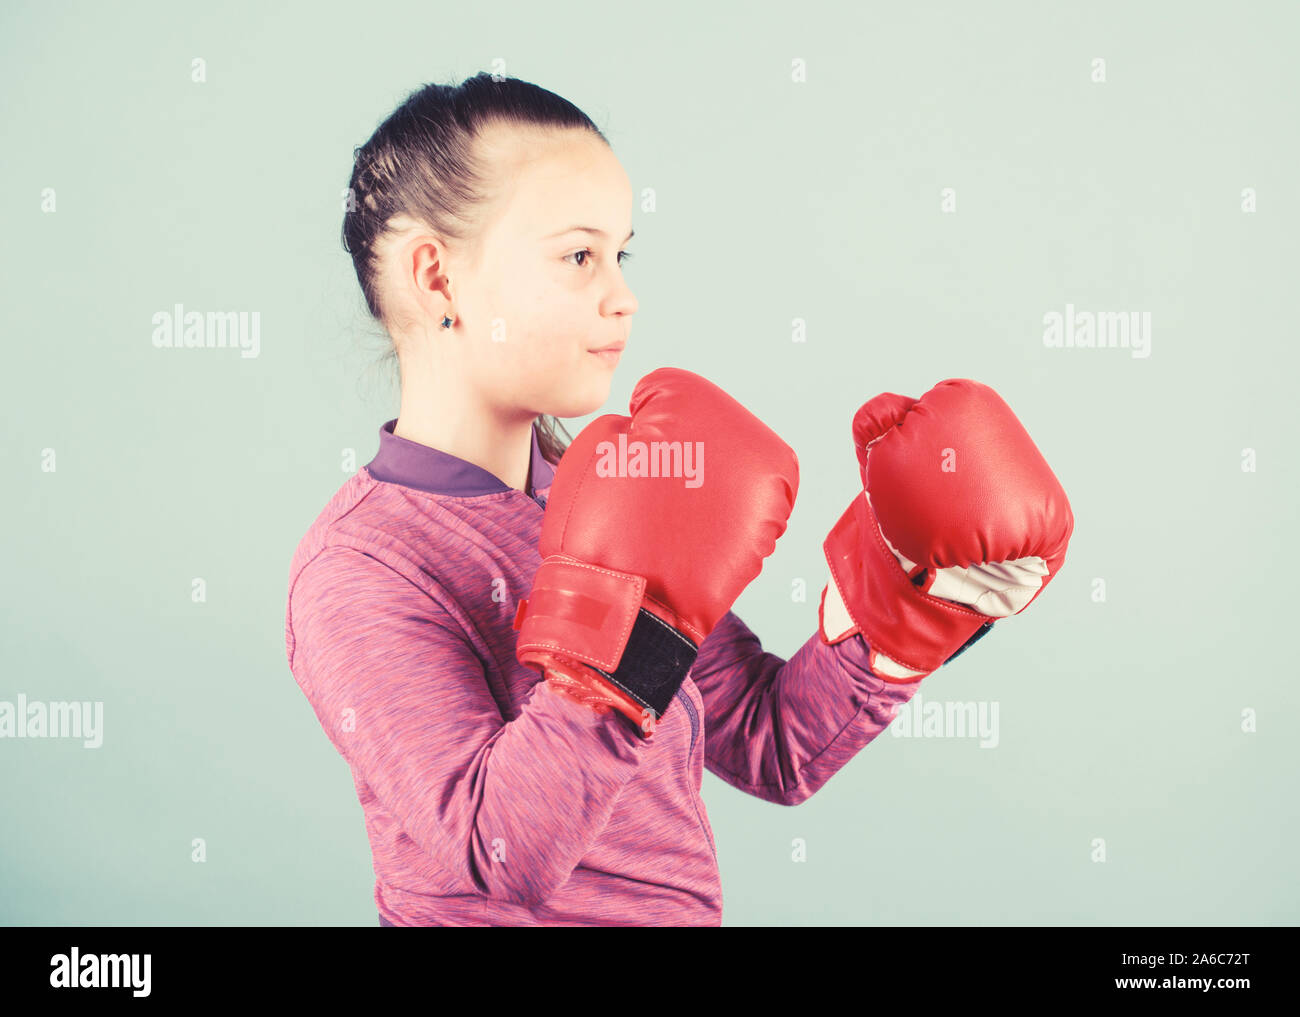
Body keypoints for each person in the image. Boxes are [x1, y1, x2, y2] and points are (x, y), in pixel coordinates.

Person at [283, 72, 1074, 927]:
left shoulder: (606, 493)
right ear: (436, 278)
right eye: (578, 255)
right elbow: (499, 847)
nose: (622, 295)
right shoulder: (359, 572)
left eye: (621, 255)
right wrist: (623, 641)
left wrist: (911, 610)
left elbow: (773, 745)